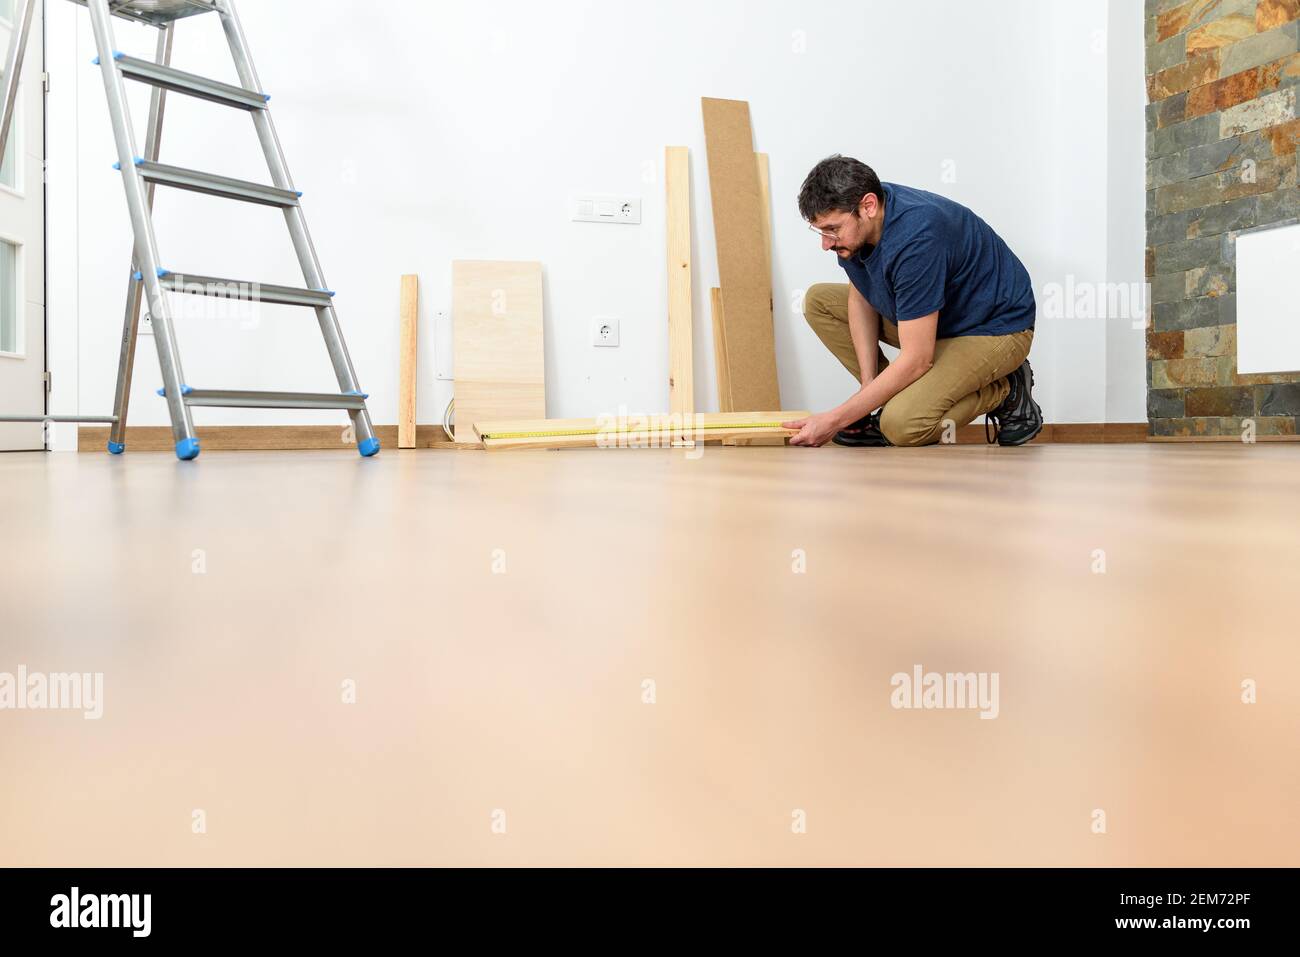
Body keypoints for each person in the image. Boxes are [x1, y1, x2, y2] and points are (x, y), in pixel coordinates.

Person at [782, 155, 1042, 448]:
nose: (826, 243)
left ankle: (1005, 390)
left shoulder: (917, 237)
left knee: (902, 427)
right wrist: (867, 389)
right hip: (937, 320)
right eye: (820, 231)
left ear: (868, 206)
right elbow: (862, 296)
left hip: (994, 329)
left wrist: (835, 419)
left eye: (832, 229)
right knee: (819, 301)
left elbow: (917, 359)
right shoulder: (859, 226)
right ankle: (882, 400)